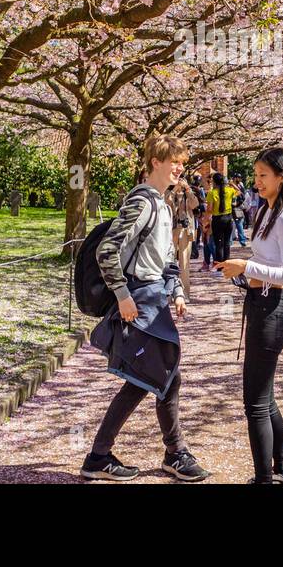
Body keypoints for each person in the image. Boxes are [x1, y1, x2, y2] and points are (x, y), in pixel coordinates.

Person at [82, 132, 209, 482]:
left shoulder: (163, 204)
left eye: (183, 163)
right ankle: (171, 453)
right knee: (157, 376)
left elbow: (165, 258)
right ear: (156, 161)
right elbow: (106, 250)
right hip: (138, 301)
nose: (180, 169)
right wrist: (123, 295)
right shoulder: (143, 202)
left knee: (153, 377)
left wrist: (177, 291)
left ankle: (104, 456)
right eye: (175, 162)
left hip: (153, 300)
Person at [218, 147, 283, 484]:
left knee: (254, 402)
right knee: (265, 398)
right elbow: (267, 264)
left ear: (281, 177)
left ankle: (263, 479)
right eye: (255, 175)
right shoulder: (267, 211)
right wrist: (243, 268)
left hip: (273, 313)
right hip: (260, 306)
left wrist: (247, 266)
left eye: (263, 175)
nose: (257, 181)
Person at [166, 176, 197, 296]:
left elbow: (195, 204)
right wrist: (175, 189)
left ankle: (184, 293)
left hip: (185, 230)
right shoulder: (168, 192)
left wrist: (187, 189)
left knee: (184, 263)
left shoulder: (188, 194)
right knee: (169, 261)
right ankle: (169, 292)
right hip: (171, 230)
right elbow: (166, 202)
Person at [206, 171, 237, 264]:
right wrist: (232, 184)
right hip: (228, 218)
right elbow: (239, 192)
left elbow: (210, 209)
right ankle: (227, 264)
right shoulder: (230, 190)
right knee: (227, 243)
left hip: (217, 220)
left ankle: (220, 266)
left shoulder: (212, 193)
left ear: (214, 182)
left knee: (218, 244)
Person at [231, 175, 249, 246]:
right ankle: (239, 241)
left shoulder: (238, 186)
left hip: (237, 207)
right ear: (235, 178)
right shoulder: (234, 186)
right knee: (237, 225)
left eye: (240, 177)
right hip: (236, 207)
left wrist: (237, 204)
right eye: (238, 177)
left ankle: (242, 241)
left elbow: (243, 197)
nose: (239, 179)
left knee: (239, 224)